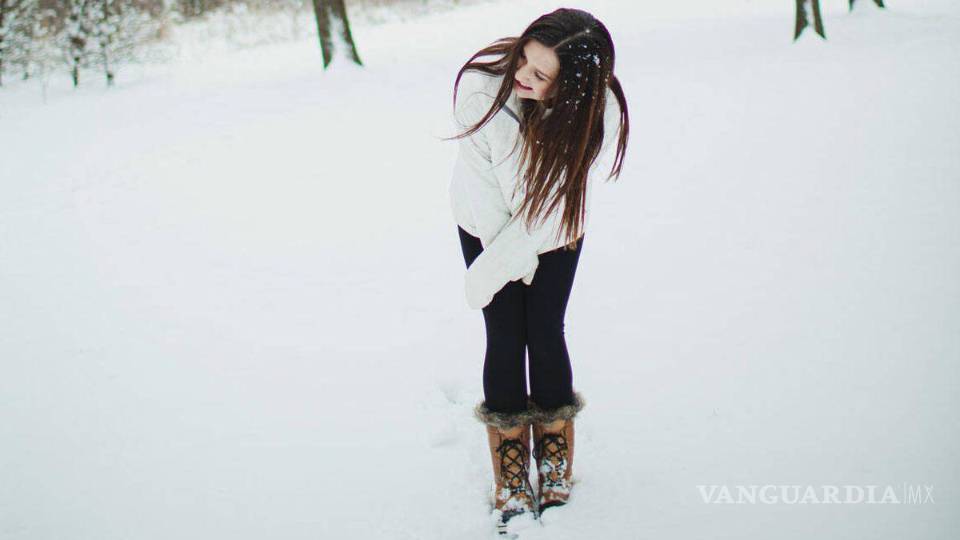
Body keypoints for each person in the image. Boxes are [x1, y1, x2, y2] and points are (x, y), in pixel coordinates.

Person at [445, 7, 629, 532]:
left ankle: (552, 444)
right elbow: (485, 200)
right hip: (484, 221)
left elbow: (554, 210)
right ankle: (509, 466)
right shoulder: (481, 88)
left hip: (556, 226)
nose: (521, 75)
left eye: (540, 74)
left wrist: (489, 274)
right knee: (505, 332)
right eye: (524, 58)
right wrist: (503, 263)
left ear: (572, 88)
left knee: (545, 330)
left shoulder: (601, 114)